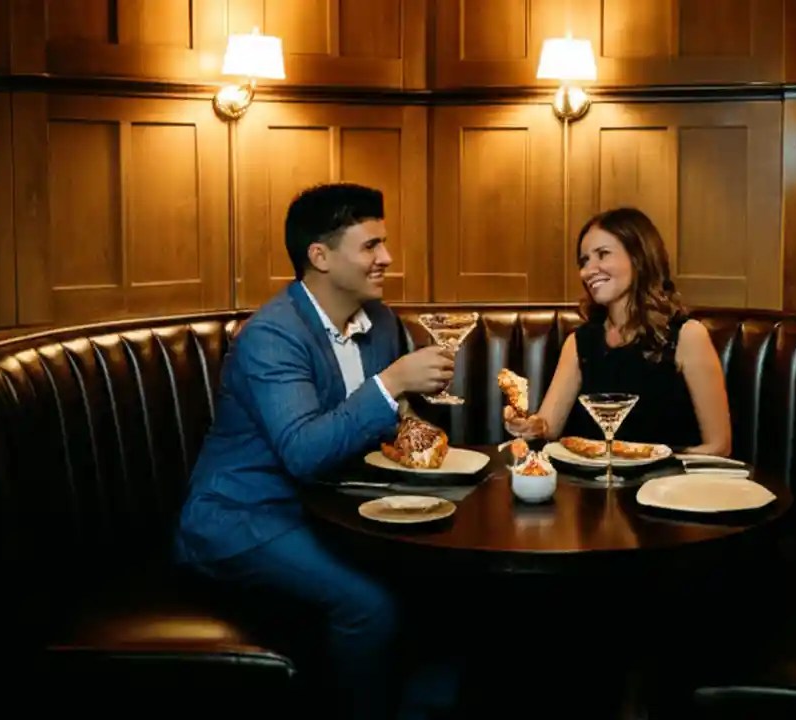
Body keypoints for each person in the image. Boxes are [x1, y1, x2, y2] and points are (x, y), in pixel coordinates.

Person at [173, 183, 458, 719]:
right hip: (244, 516)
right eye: (371, 245)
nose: (387, 258)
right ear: (320, 256)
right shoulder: (271, 336)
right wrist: (392, 383)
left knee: (443, 585)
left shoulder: (382, 324)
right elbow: (303, 451)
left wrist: (417, 420)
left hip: (332, 512)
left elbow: (391, 424)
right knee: (368, 605)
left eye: (385, 243)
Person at [504, 207, 732, 456]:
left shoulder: (688, 336)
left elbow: (719, 447)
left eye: (602, 254)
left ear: (639, 258)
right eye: (584, 261)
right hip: (594, 489)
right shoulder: (579, 342)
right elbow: (548, 427)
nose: (588, 271)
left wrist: (649, 464)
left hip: (668, 489)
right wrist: (527, 426)